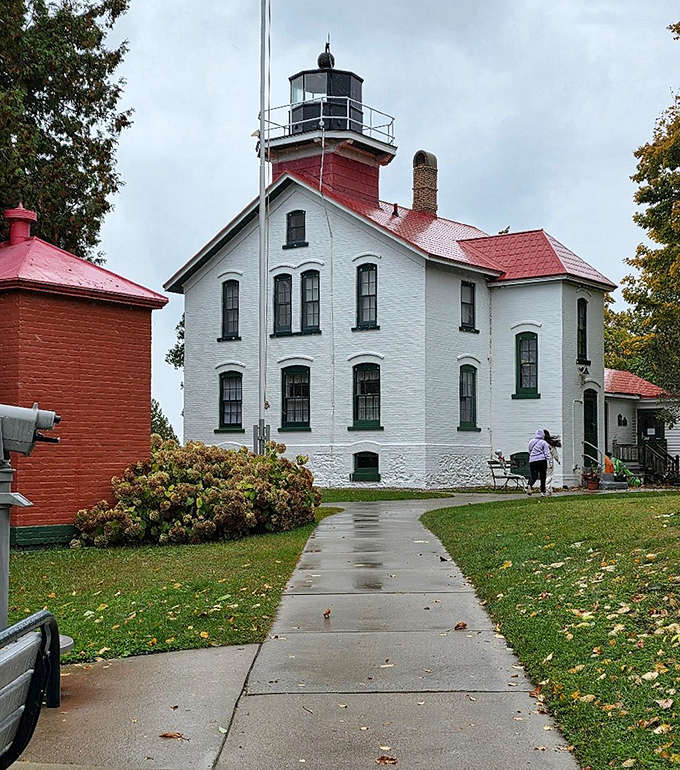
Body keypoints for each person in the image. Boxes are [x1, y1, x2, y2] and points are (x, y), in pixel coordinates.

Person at [527, 428, 552, 496]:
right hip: (542, 461)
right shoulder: (544, 442)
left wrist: (533, 457)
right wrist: (550, 461)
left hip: (532, 461)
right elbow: (547, 453)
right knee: (542, 477)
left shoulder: (531, 441)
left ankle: (529, 485)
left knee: (533, 476)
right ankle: (542, 491)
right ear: (543, 435)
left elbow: (529, 451)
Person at [543, 429, 561, 496]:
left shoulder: (540, 443)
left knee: (544, 475)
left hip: (541, 461)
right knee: (549, 475)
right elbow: (554, 453)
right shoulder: (550, 443)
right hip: (549, 461)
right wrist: (557, 460)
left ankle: (547, 489)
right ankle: (547, 489)